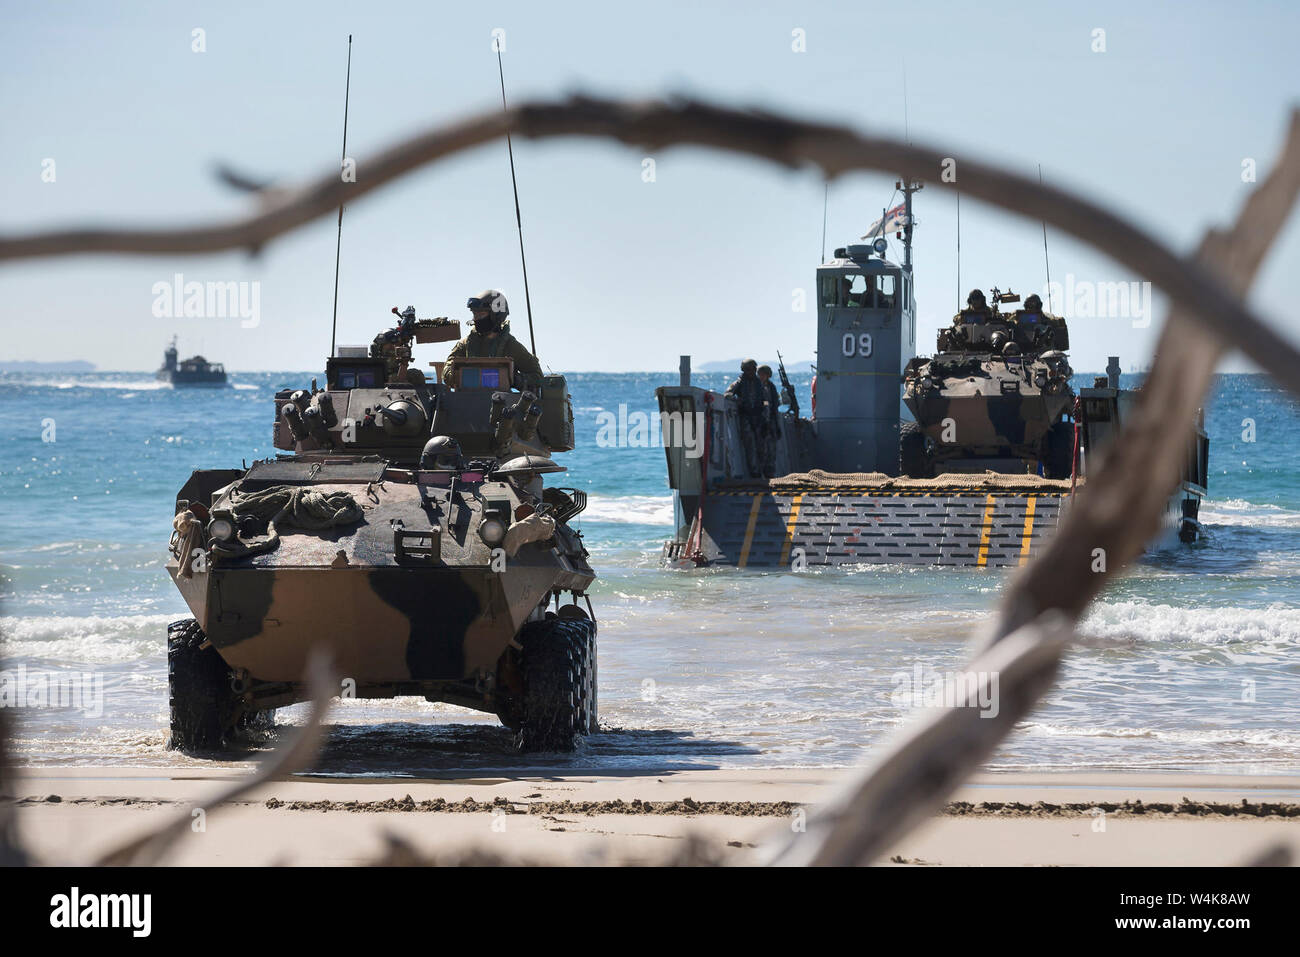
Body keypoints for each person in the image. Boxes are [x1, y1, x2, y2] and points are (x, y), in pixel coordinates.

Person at [443, 289, 542, 384]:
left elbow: (537, 376)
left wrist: (512, 378)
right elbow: (447, 368)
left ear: (496, 316)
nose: (475, 319)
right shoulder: (466, 344)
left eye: (481, 314)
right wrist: (456, 375)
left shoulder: (511, 346)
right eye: (474, 314)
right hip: (468, 397)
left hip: (500, 398)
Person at [725, 358, 767, 479]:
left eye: (753, 369)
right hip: (746, 417)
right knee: (750, 446)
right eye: (749, 369)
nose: (751, 372)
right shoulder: (739, 383)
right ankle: (754, 472)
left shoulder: (759, 383)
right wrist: (738, 400)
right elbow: (727, 394)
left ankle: (761, 471)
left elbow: (765, 400)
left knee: (761, 446)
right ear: (744, 370)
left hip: (759, 418)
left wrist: (766, 416)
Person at [756, 364, 781, 478]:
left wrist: (777, 426)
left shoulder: (771, 387)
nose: (761, 376)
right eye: (760, 374)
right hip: (760, 422)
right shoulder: (757, 387)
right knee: (761, 450)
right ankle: (760, 474)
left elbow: (774, 407)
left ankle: (770, 474)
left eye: (763, 374)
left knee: (771, 450)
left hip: (771, 423)